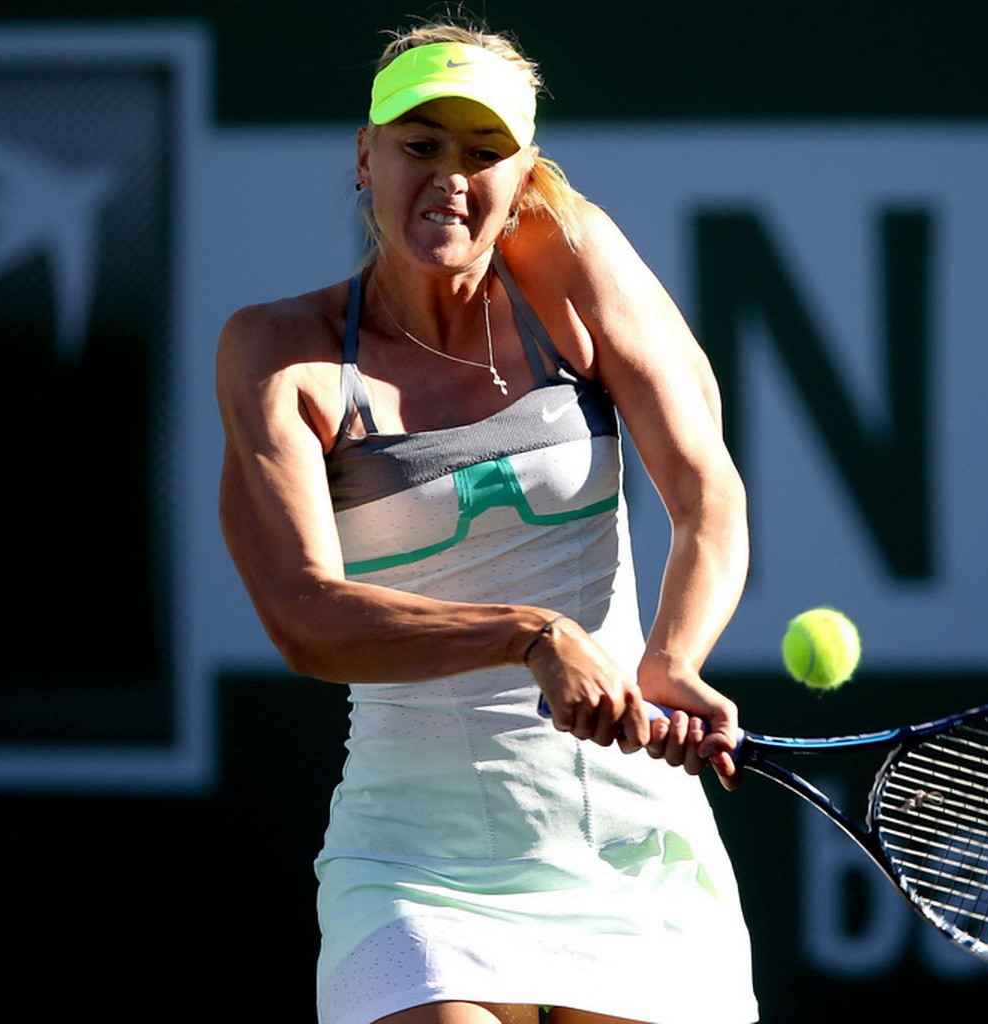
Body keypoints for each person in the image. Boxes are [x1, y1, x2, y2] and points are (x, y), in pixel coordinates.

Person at [215, 18, 757, 1024]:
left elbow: (704, 490)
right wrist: (529, 635)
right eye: (420, 146)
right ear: (364, 157)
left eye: (482, 153)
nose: (449, 179)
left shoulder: (574, 266)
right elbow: (302, 614)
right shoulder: (277, 352)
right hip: (416, 867)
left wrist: (672, 658)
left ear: (524, 174)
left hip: (635, 850)